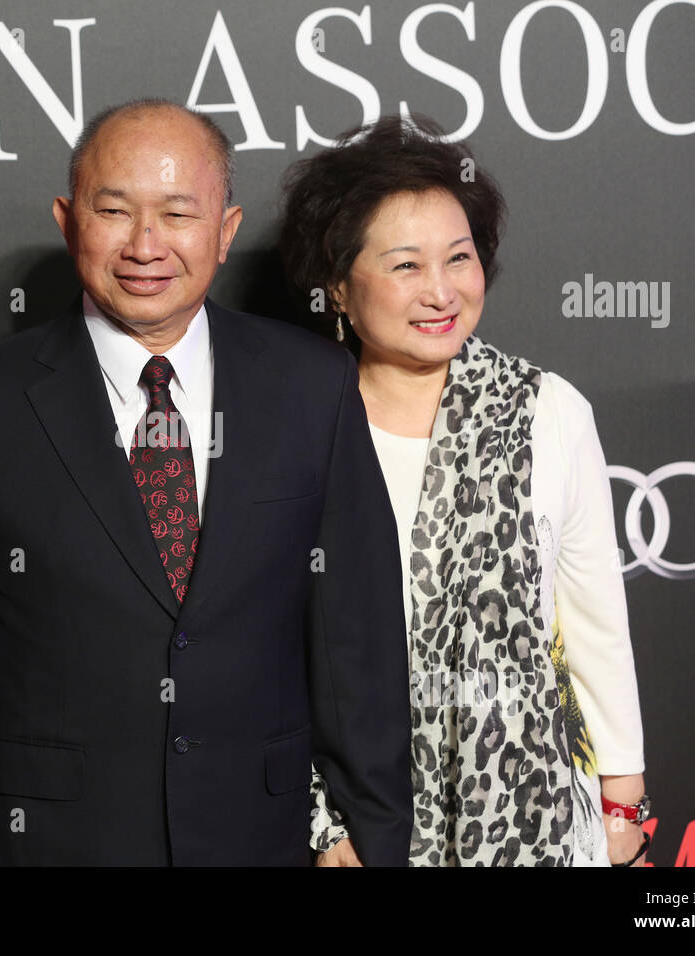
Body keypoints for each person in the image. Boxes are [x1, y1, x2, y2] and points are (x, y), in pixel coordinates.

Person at [0, 99, 413, 865]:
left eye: (177, 213)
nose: (145, 245)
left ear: (225, 232)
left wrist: (372, 832)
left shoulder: (312, 386)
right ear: (68, 221)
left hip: (261, 843)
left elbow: (358, 645)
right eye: (114, 210)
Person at [280, 115, 648, 867]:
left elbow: (596, 629)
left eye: (460, 257)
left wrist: (624, 808)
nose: (441, 291)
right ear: (338, 288)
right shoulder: (291, 426)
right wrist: (324, 823)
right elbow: (265, 652)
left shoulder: (549, 412)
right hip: (355, 825)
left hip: (542, 820)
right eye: (406, 266)